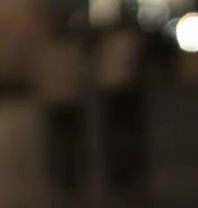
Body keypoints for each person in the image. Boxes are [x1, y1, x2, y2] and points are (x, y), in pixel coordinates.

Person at [32, 10, 89, 199]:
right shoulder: (73, 50)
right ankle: (71, 177)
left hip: (55, 104)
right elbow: (82, 75)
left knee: (58, 143)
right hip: (71, 102)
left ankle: (61, 177)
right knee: (71, 142)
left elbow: (39, 77)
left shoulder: (47, 51)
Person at [95, 13, 152, 199]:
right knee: (130, 134)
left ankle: (118, 174)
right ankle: (129, 174)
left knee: (114, 134)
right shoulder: (133, 40)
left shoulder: (107, 41)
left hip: (112, 91)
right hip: (127, 91)